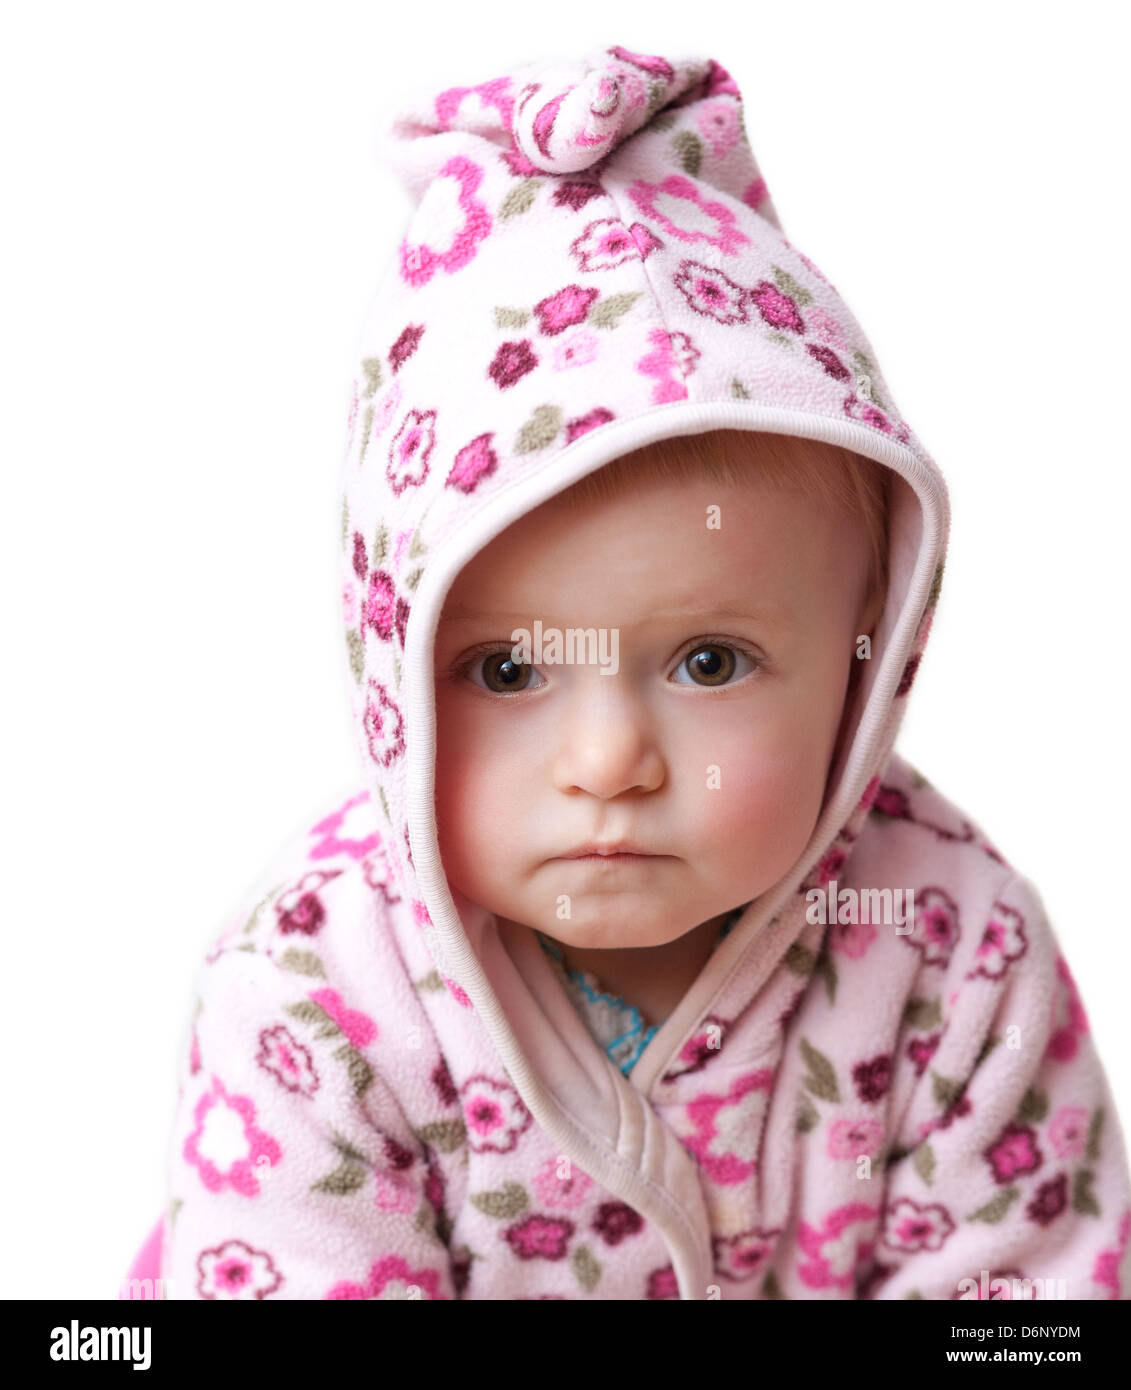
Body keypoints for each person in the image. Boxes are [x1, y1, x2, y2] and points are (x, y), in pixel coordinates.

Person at [155, 44, 1131, 1300]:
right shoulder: (312, 990)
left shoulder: (952, 945)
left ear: (867, 659)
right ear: (390, 666)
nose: (609, 761)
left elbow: (1034, 1298)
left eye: (710, 659)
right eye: (505, 668)